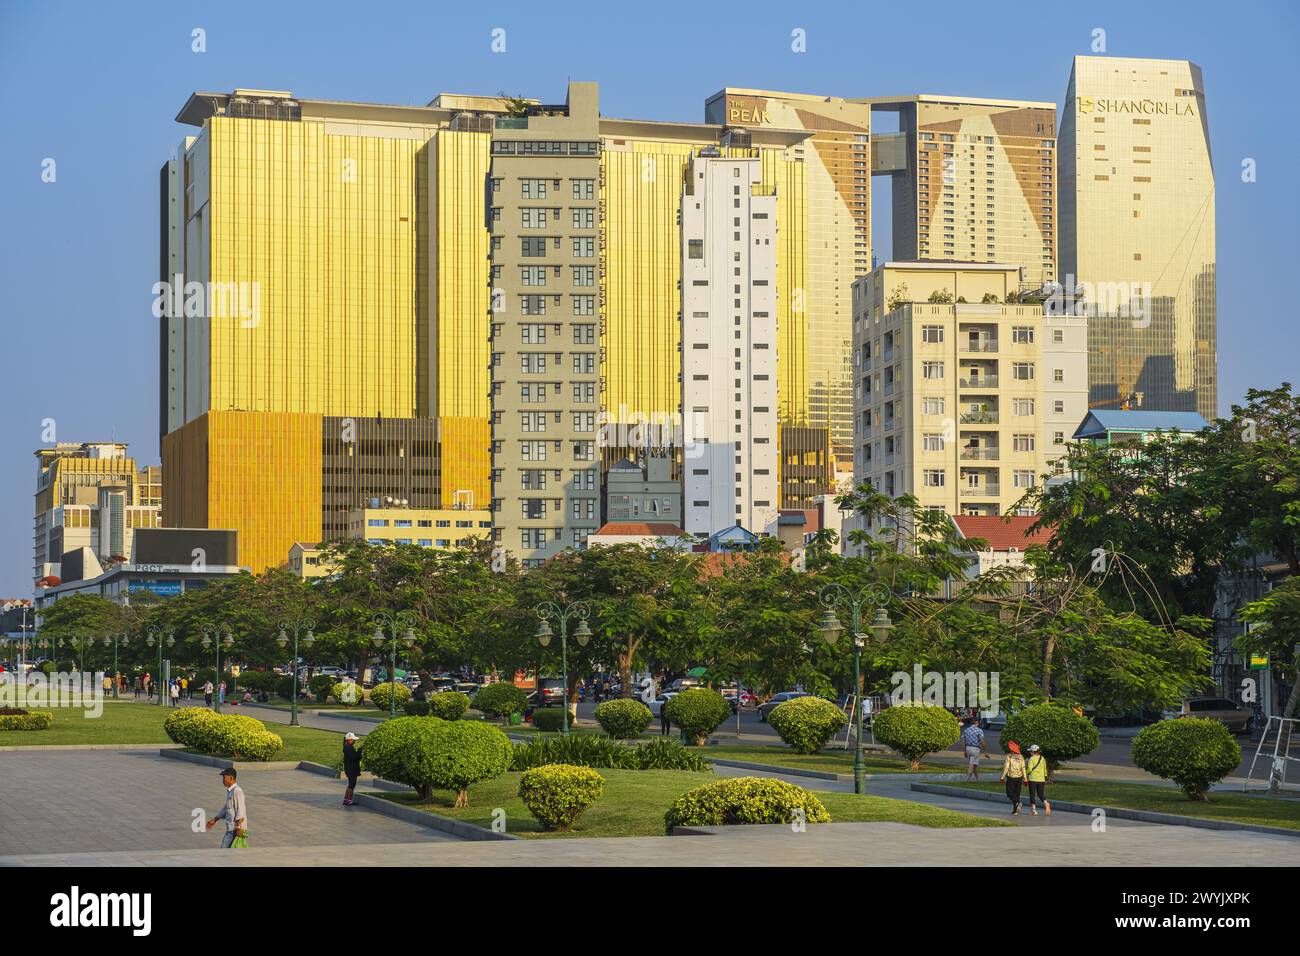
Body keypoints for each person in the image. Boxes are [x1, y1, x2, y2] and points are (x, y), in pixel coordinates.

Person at [205, 767, 247, 847]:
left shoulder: (237, 791)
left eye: (224, 777)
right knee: (229, 854)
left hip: (235, 830)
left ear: (231, 778)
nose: (223, 780)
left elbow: (240, 810)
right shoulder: (231, 791)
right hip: (231, 829)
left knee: (224, 852)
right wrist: (214, 820)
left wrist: (238, 827)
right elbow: (226, 808)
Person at [1000, 740, 1027, 814]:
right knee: (1017, 794)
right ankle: (1016, 810)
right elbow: (1023, 767)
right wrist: (1025, 779)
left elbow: (1006, 767)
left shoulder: (1009, 756)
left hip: (1011, 777)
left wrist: (1002, 777)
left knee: (1009, 793)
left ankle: (1018, 802)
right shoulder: (1021, 757)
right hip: (1019, 777)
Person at [1025, 743, 1051, 816]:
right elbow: (1044, 768)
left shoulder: (1031, 759)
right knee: (1040, 794)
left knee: (1032, 795)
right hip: (1041, 779)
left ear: (1033, 752)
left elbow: (1030, 769)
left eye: (1030, 751)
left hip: (1033, 779)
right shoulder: (1042, 758)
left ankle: (1034, 810)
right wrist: (1045, 776)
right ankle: (1046, 803)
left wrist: (1026, 773)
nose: (1030, 753)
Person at [342, 732, 364, 806]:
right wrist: (360, 750)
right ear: (349, 740)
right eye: (353, 739)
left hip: (349, 768)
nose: (354, 741)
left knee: (350, 785)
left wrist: (359, 751)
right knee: (352, 785)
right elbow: (354, 757)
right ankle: (349, 800)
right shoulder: (348, 747)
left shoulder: (347, 746)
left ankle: (346, 799)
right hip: (351, 769)